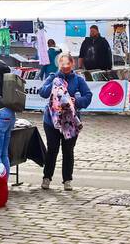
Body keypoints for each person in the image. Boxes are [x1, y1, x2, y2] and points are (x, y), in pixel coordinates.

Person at [38, 53, 91, 191]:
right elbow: (42, 92)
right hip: (52, 121)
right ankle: (47, 177)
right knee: (52, 149)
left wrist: (76, 101)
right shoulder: (52, 76)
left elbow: (88, 96)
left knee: (68, 150)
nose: (65, 66)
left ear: (72, 64)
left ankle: (67, 179)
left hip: (70, 121)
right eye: (62, 63)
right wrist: (54, 87)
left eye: (67, 63)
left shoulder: (78, 79)